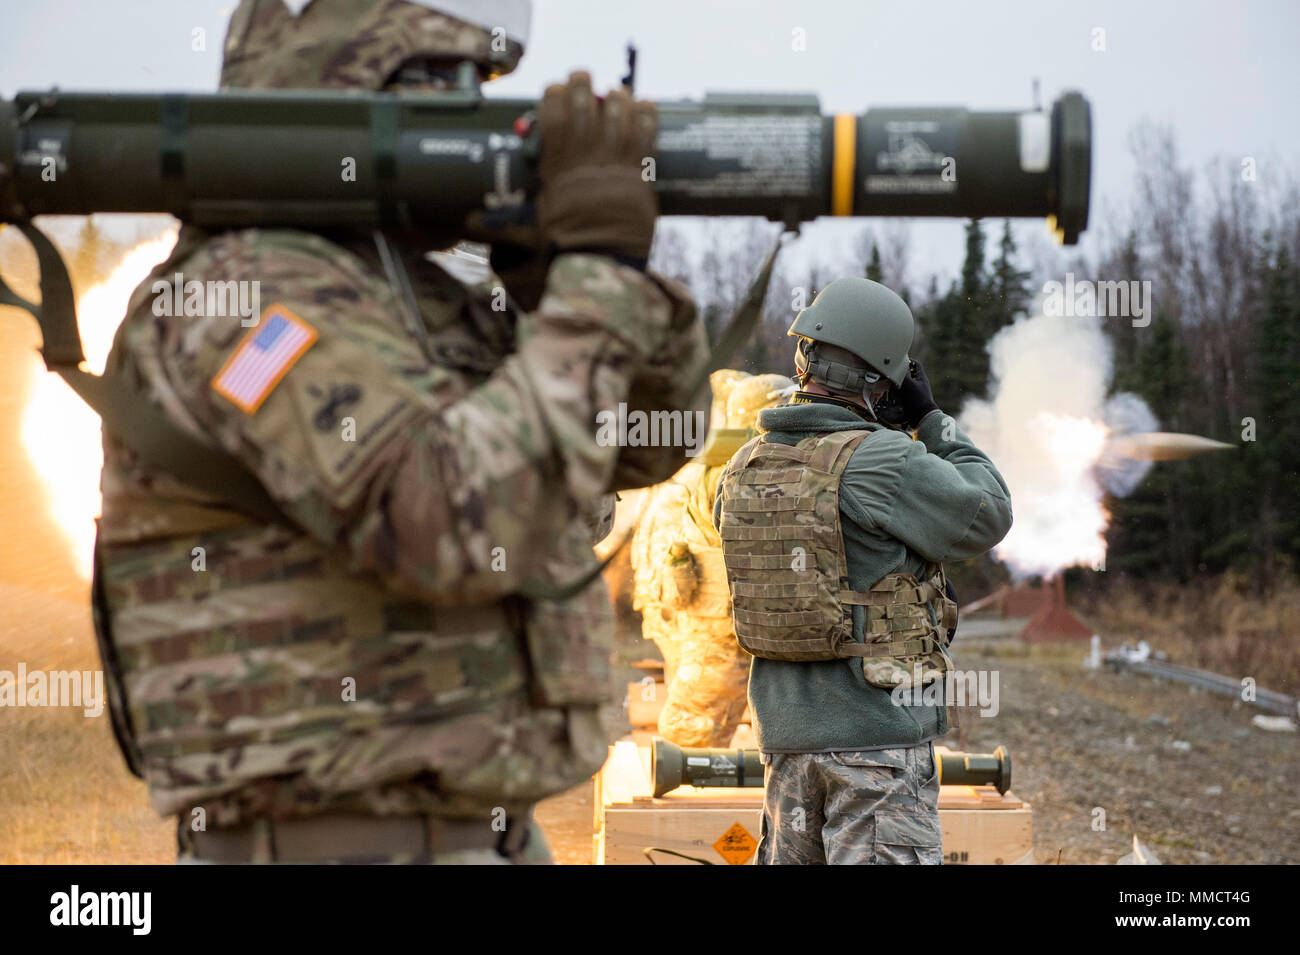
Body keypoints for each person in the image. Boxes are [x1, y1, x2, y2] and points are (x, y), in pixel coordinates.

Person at [91, 0, 708, 864]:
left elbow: (643, 438)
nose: (472, 120)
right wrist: (599, 284)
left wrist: (564, 278)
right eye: (439, 91)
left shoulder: (397, 296)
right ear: (337, 92)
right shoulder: (243, 299)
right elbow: (450, 521)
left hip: (479, 837)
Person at [713, 277, 1012, 865]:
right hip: (876, 745)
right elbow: (988, 511)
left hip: (785, 746)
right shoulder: (884, 460)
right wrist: (930, 419)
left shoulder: (743, 466)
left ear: (803, 358)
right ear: (886, 377)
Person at [631, 371, 792, 747]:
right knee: (697, 729)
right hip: (717, 627)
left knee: (715, 718)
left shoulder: (720, 459)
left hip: (702, 615)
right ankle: (691, 800)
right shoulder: (736, 468)